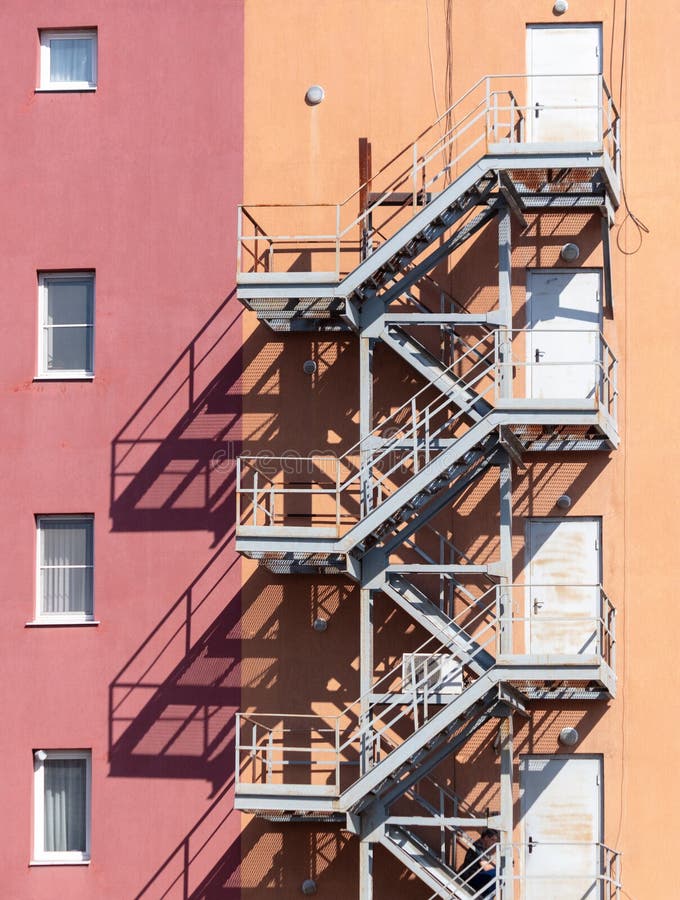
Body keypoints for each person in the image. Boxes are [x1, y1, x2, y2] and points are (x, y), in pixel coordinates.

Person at [461, 828, 499, 897]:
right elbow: (486, 866)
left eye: (495, 841)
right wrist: (500, 870)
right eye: (492, 840)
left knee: (497, 876)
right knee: (496, 874)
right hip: (470, 878)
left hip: (475, 876)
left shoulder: (482, 847)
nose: (494, 843)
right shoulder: (478, 847)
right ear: (486, 838)